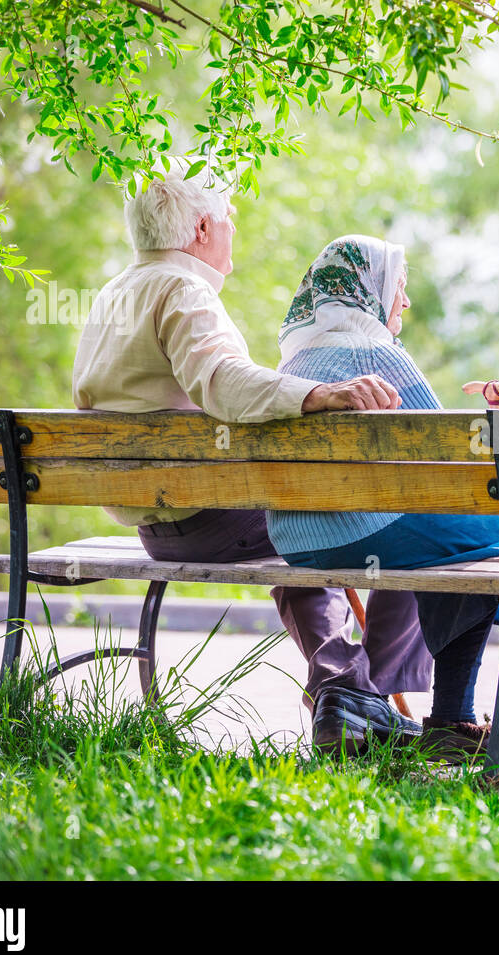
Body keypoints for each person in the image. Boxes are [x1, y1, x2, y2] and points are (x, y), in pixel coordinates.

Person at [70, 172, 432, 751]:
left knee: (295, 522)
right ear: (203, 227)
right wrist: (319, 395)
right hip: (209, 517)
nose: (232, 230)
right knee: (389, 524)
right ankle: (358, 693)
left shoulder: (113, 294)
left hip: (157, 530)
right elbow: (222, 382)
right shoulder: (182, 291)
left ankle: (345, 686)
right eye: (229, 219)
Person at [266, 234, 499, 764]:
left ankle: (453, 724)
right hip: (368, 529)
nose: (406, 302)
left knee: (460, 552)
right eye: (400, 287)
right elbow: (452, 464)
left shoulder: (288, 368)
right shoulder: (373, 352)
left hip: (300, 543)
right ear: (370, 287)